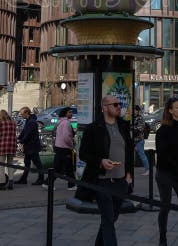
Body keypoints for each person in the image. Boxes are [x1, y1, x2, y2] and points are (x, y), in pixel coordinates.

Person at [78, 95, 133, 246]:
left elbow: (129, 151)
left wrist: (129, 174)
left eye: (119, 104)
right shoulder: (94, 128)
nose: (119, 107)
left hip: (121, 181)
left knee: (111, 219)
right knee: (108, 220)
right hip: (101, 181)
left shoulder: (123, 126)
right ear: (105, 107)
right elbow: (83, 153)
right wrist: (100, 161)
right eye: (115, 104)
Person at [155, 96, 178, 246]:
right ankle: (162, 239)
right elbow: (163, 155)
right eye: (177, 107)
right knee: (165, 205)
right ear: (170, 111)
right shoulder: (162, 130)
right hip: (165, 172)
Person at [16, 106, 44, 185]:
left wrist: (20, 141)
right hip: (30, 146)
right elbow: (24, 132)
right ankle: (23, 179)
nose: (21, 115)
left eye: (22, 114)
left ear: (26, 113)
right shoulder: (29, 121)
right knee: (27, 163)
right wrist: (19, 138)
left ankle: (40, 179)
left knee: (37, 163)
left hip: (32, 146)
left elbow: (27, 134)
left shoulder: (31, 122)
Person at [0, 109, 17, 190]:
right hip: (12, 146)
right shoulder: (13, 123)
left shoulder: (0, 123)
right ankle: (11, 182)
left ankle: (2, 183)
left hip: (2, 146)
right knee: (10, 164)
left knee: (1, 165)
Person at [52, 107, 77, 189]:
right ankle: (71, 185)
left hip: (59, 146)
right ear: (65, 113)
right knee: (68, 168)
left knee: (59, 167)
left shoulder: (60, 122)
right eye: (69, 112)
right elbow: (67, 137)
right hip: (65, 147)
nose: (71, 113)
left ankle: (48, 182)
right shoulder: (66, 123)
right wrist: (71, 146)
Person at [132, 105, 150, 175]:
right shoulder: (133, 117)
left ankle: (147, 169)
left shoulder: (140, 118)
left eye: (135, 110)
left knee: (142, 155)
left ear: (137, 111)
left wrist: (132, 129)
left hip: (139, 140)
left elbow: (139, 129)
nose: (134, 111)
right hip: (133, 140)